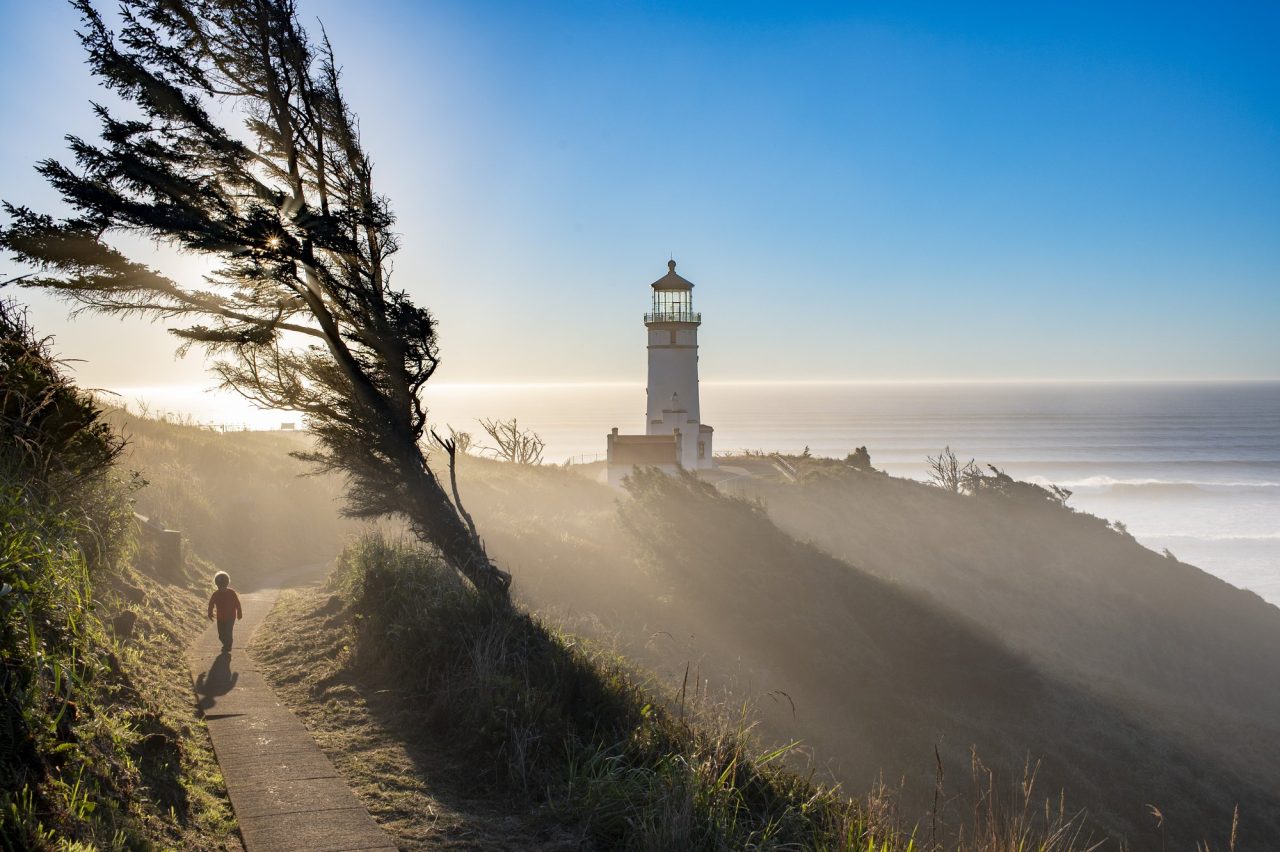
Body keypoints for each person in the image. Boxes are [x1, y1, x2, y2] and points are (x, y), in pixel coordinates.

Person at [207, 571, 243, 654]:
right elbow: (211, 604)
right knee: (221, 634)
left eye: (223, 586)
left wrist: (239, 613)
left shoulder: (232, 593)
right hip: (220, 617)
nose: (221, 588)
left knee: (228, 632)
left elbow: (237, 603)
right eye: (220, 587)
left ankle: (228, 646)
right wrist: (210, 613)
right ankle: (226, 644)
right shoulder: (215, 594)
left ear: (227, 584)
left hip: (231, 617)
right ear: (217, 585)